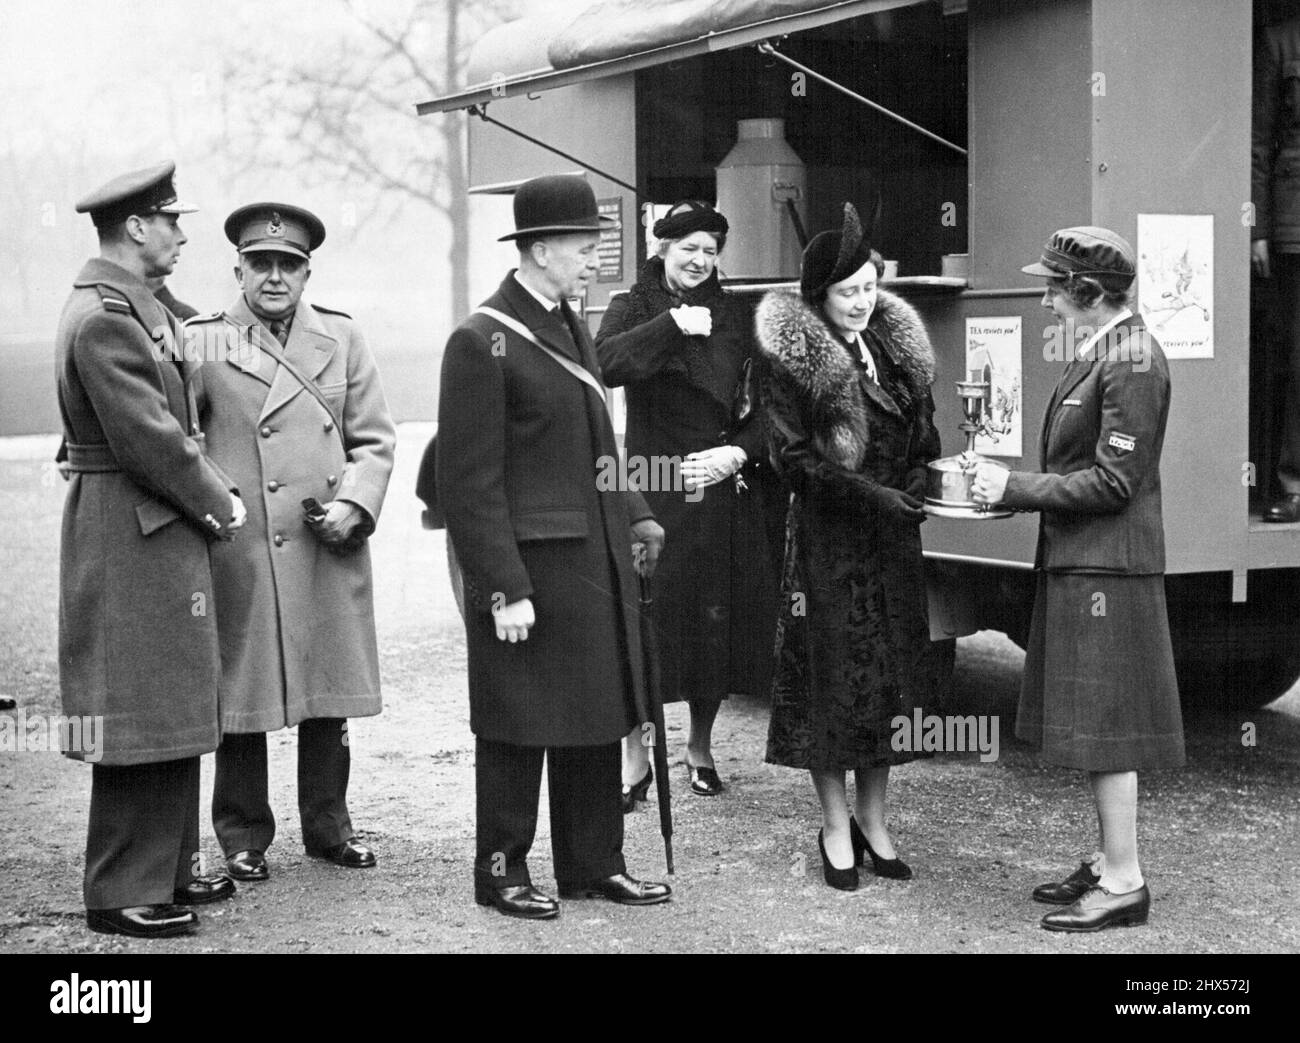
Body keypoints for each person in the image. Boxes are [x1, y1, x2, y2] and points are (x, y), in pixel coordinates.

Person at [437, 174, 672, 919]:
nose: (593, 261)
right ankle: (502, 869)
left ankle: (592, 861)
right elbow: (468, 484)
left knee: (595, 714)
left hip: (592, 562)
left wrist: (634, 511)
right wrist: (503, 585)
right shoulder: (480, 340)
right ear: (538, 250)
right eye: (582, 247)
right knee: (517, 723)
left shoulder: (569, 324)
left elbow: (599, 438)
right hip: (530, 571)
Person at [971, 226, 1184, 932]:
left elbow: (1115, 481)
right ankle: (1107, 857)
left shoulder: (1133, 363)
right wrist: (1015, 492)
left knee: (1108, 729)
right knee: (1095, 726)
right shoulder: (1103, 352)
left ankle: (1125, 881)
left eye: (1054, 288)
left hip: (1108, 568)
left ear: (1089, 294)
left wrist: (1017, 487)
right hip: (1085, 560)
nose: (1045, 300)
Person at [56, 161, 246, 938]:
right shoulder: (105, 315)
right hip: (132, 522)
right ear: (136, 226)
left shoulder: (134, 307)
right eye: (172, 219)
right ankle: (118, 889)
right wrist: (218, 497)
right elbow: (150, 438)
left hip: (150, 525)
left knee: (168, 699)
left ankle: (164, 870)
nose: (182, 232)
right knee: (133, 704)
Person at [188, 203, 396, 882]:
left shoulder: (340, 336)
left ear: (307, 271)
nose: (275, 277)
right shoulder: (205, 340)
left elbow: (374, 438)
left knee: (327, 688)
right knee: (241, 690)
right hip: (242, 544)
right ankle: (243, 834)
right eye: (261, 264)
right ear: (239, 269)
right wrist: (217, 505)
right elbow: (184, 441)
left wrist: (356, 504)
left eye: (289, 265)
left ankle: (329, 826)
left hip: (323, 540)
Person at [756, 203, 943, 890]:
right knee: (832, 685)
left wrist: (919, 475)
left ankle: (874, 820)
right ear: (819, 300)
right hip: (829, 550)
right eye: (849, 291)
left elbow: (925, 433)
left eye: (871, 286)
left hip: (893, 546)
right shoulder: (792, 365)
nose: (864, 301)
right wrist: (877, 498)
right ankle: (835, 825)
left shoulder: (894, 349)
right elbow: (794, 460)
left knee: (889, 683)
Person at [596, 200, 776, 807]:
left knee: (713, 625)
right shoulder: (633, 307)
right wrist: (673, 326)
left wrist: (740, 455)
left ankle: (700, 746)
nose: (700, 260)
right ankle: (638, 754)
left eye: (711, 250)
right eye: (689, 248)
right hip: (652, 485)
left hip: (717, 484)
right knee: (644, 623)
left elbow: (773, 408)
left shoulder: (738, 314)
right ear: (663, 248)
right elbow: (604, 365)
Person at [1253, 14, 1300, 522]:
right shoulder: (1281, 40)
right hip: (1294, 226)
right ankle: (1295, 485)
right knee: (1298, 360)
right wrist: (1258, 228)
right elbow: (1260, 141)